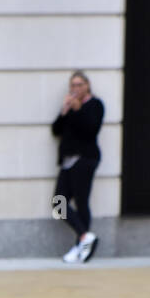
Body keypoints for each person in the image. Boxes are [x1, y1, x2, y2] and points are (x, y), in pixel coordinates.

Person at [51, 70, 104, 263]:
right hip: (67, 162)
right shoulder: (70, 106)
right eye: (73, 85)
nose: (76, 88)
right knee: (58, 203)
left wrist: (78, 110)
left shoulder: (95, 105)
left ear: (87, 86)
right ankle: (84, 237)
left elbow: (91, 130)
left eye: (79, 84)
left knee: (82, 202)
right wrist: (65, 111)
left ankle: (80, 246)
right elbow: (56, 130)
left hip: (85, 160)